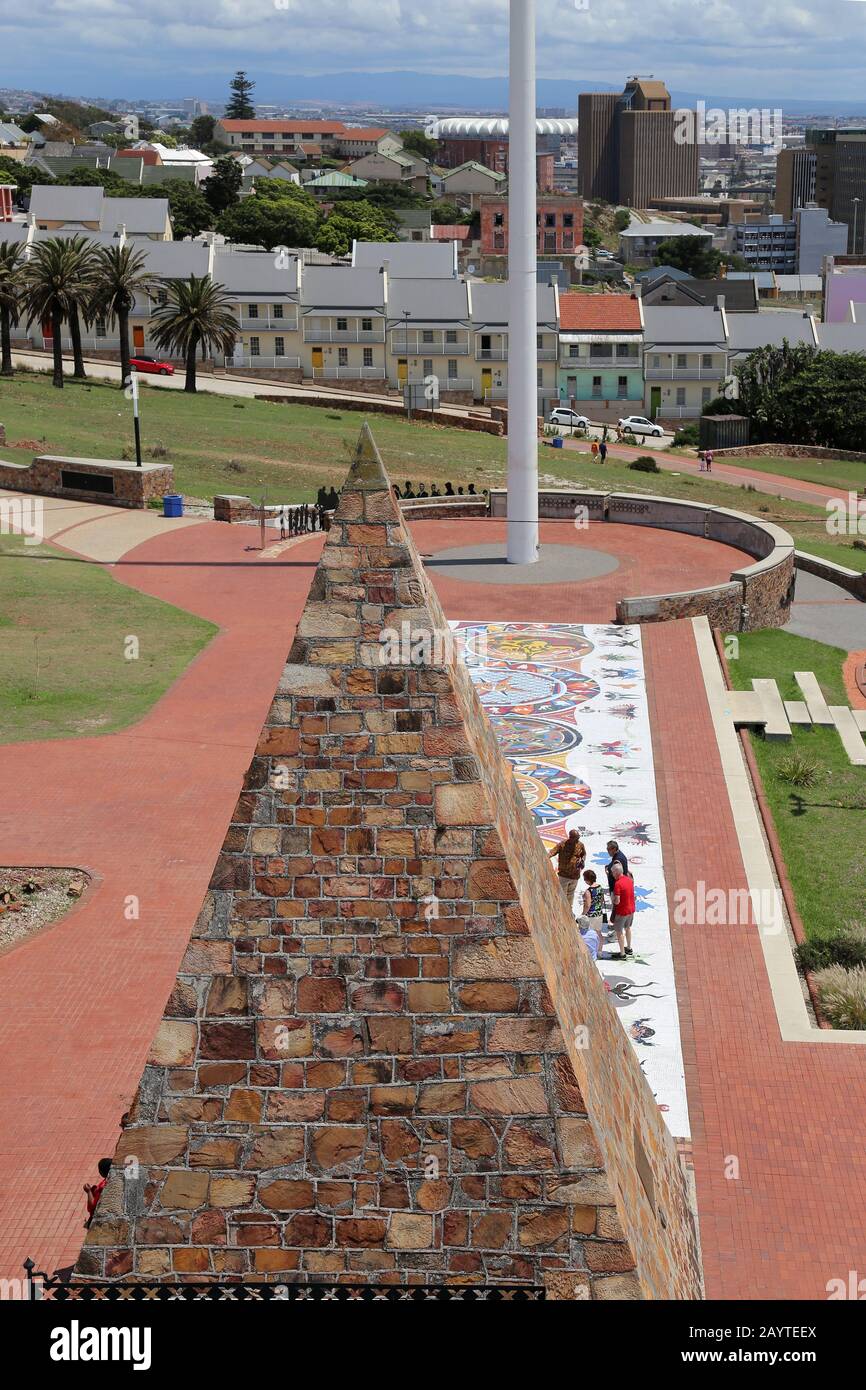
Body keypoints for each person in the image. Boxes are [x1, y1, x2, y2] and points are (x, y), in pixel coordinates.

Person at [548, 828, 586, 914]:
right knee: (562, 895)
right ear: (571, 837)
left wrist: (582, 860)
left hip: (575, 875)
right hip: (564, 875)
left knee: (570, 894)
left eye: (578, 838)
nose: (577, 840)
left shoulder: (580, 845)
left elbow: (584, 854)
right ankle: (561, 911)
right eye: (575, 838)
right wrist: (547, 856)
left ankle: (568, 911)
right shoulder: (563, 844)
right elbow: (553, 851)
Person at [609, 861, 636, 960]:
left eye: (612, 872)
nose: (612, 874)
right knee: (628, 928)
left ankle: (622, 953)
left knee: (619, 931)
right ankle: (629, 947)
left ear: (616, 872)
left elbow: (617, 901)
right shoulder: (629, 880)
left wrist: (612, 899)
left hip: (622, 911)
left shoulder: (618, 884)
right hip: (631, 909)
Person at [84, 1157, 112, 1228]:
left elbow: (92, 1206)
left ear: (102, 1172)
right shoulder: (110, 1181)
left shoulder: (103, 1187)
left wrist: (89, 1191)